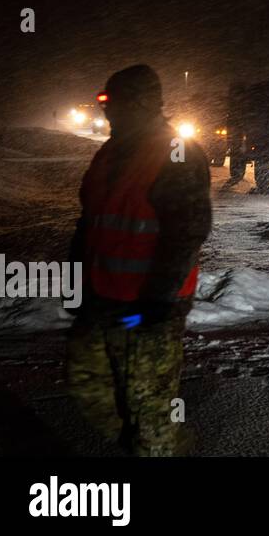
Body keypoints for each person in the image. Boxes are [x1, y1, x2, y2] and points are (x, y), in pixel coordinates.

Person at [65, 64, 212, 455]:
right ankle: (145, 443)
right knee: (87, 380)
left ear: (144, 103)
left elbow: (186, 232)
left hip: (147, 305)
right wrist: (76, 286)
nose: (107, 111)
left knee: (149, 411)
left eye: (114, 102)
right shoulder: (110, 153)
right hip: (103, 300)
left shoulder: (175, 152)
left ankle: (157, 445)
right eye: (105, 103)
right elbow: (90, 223)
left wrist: (158, 301)